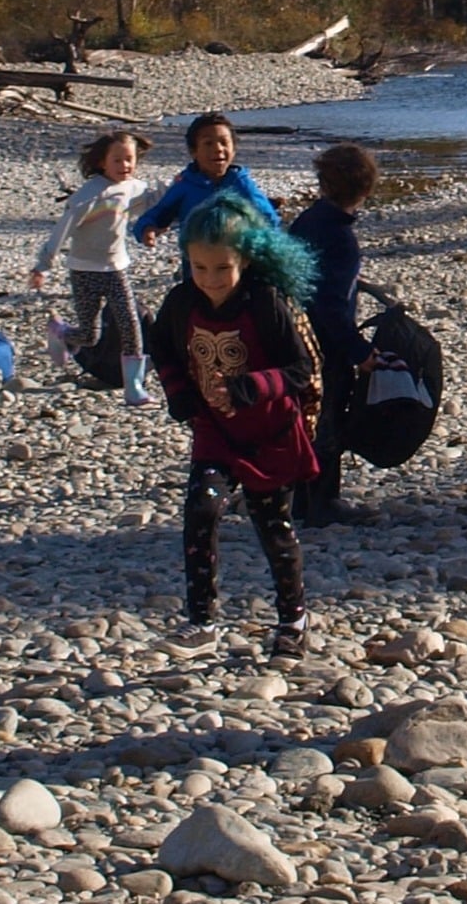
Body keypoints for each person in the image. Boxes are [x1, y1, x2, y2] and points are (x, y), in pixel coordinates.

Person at [151, 191, 322, 663]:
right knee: (201, 513)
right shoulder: (182, 301)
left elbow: (300, 369)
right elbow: (162, 348)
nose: (210, 280)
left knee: (275, 529)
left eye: (221, 268)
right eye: (199, 268)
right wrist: (180, 396)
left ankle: (293, 621)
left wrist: (251, 387)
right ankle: (201, 622)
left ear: (245, 259)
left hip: (271, 434)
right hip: (216, 432)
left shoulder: (266, 302)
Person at [29, 131, 167, 407]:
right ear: (103, 162)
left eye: (130, 160)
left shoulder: (133, 187)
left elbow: (151, 201)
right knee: (90, 336)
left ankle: (134, 387)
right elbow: (62, 230)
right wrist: (43, 266)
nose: (125, 166)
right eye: (118, 160)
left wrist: (174, 188)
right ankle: (61, 333)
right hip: (84, 270)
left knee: (130, 325)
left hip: (116, 269)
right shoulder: (88, 196)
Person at [289, 143, 383, 526]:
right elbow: (331, 304)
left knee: (301, 415)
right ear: (365, 191)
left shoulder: (307, 222)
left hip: (292, 334)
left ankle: (298, 496)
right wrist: (359, 351)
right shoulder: (342, 240)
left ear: (323, 184)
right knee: (327, 419)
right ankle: (322, 500)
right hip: (325, 345)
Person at [133, 112, 280, 252]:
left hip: (238, 264)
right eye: (208, 143)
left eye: (224, 142)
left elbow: (268, 218)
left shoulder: (241, 184)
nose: (218, 149)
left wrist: (268, 247)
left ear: (234, 149)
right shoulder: (186, 186)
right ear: (193, 151)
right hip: (197, 267)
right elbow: (159, 213)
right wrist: (147, 228)